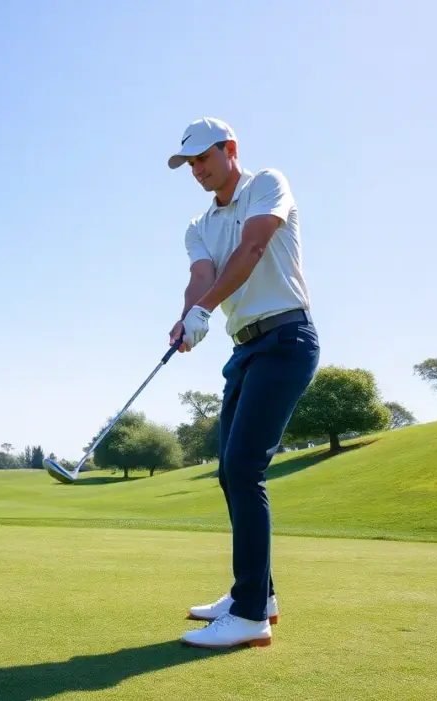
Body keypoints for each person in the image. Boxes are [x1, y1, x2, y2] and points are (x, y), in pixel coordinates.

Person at [166, 118, 321, 649]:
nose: (197, 170)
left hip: (286, 338)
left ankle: (250, 616)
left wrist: (204, 310)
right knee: (229, 475)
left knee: (243, 467)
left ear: (230, 149)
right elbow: (201, 277)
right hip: (246, 350)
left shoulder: (266, 184)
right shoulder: (199, 224)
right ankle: (258, 595)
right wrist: (188, 315)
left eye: (203, 158)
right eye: (189, 163)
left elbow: (253, 249)